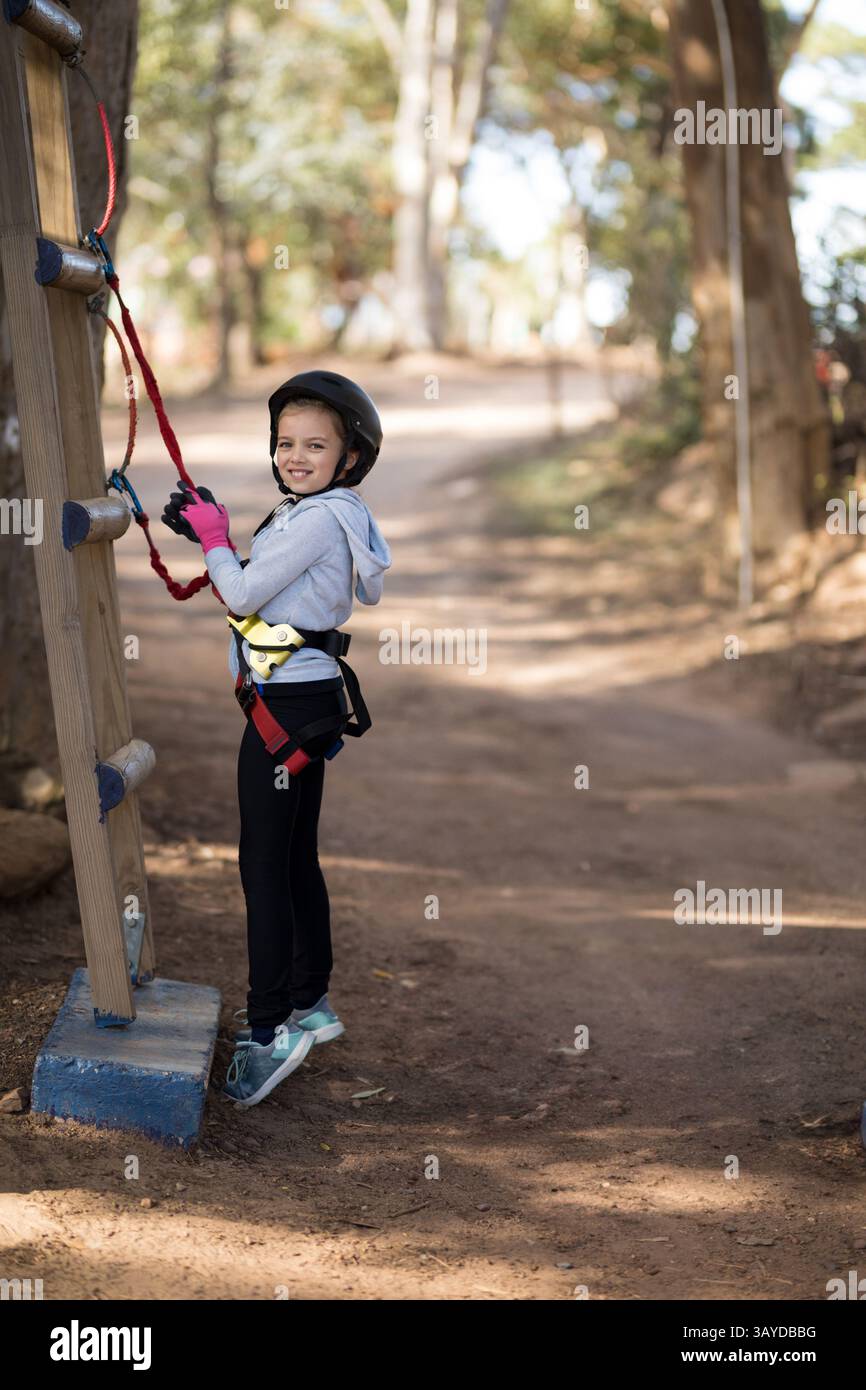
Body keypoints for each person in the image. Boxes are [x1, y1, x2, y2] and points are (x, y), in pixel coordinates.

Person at [162, 371, 391, 1107]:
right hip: (301, 702)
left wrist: (216, 543)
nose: (296, 455)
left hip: (288, 712)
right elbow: (255, 581)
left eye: (315, 445)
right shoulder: (314, 512)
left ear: (348, 457)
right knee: (293, 855)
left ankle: (266, 1035)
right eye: (286, 442)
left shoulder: (320, 519)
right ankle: (310, 1005)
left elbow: (242, 592)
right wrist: (215, 536)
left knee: (263, 865)